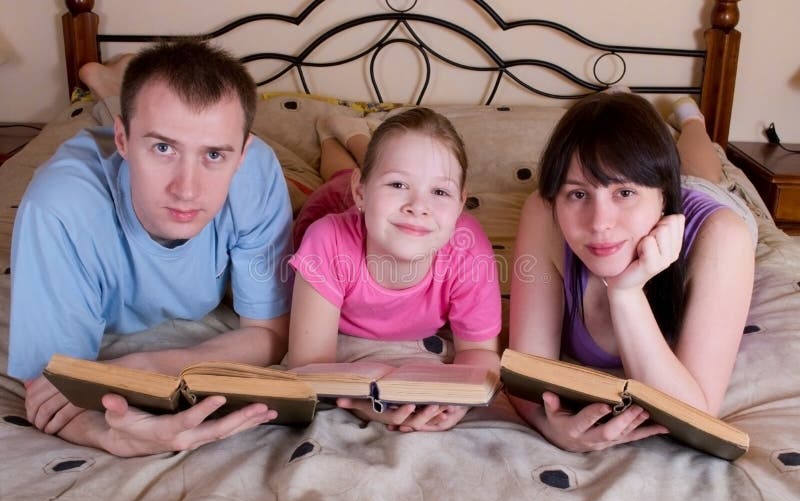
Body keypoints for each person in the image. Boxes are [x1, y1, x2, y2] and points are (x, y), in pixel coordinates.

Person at [7, 40, 294, 457]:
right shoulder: (59, 209)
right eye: (163, 147)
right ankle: (108, 91)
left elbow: (270, 332)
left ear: (242, 155)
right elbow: (53, 392)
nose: (187, 190)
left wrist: (145, 367)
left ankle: (112, 91)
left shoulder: (257, 170)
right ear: (122, 139)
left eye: (214, 154)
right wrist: (110, 435)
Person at [508, 91, 756, 452]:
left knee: (703, 173)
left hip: (706, 207)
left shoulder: (722, 237)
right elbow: (528, 373)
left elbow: (695, 415)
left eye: (624, 192)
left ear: (663, 197)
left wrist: (625, 294)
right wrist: (550, 426)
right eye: (578, 194)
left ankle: (691, 123)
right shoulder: (543, 212)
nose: (600, 223)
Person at [286, 108, 502, 432]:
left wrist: (459, 400)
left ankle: (363, 145)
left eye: (440, 191)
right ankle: (334, 133)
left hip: (370, 199)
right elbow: (308, 367)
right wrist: (364, 406)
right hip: (335, 202)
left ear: (460, 204)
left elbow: (480, 354)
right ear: (361, 194)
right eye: (398, 184)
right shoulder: (326, 240)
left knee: (379, 167)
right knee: (338, 176)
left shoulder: (468, 250)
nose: (418, 206)